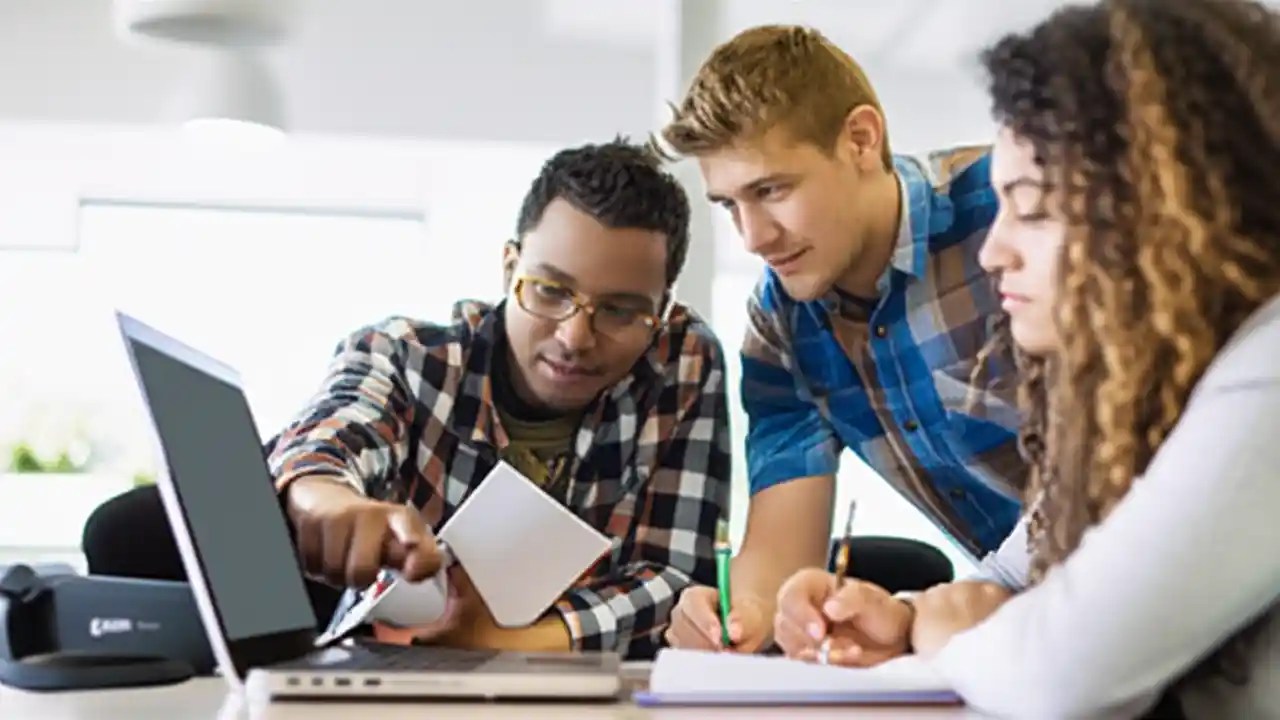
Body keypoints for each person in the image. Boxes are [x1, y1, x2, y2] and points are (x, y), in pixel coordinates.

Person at [774, 0, 1280, 716]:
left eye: (1034, 208)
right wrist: (911, 619)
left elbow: (1058, 675)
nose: (992, 251)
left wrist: (955, 635)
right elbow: (1006, 584)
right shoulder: (1145, 396)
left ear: (1166, 211)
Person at [84, 138, 732, 660]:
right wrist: (323, 500)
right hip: (371, 645)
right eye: (549, 291)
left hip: (529, 669)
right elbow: (337, 429)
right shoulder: (409, 354)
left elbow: (672, 574)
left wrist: (513, 639)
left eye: (621, 310)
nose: (575, 336)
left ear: (662, 311)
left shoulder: (680, 359)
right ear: (510, 270)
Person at [658, 24, 1026, 653]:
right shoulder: (782, 330)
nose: (754, 237)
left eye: (771, 190)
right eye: (729, 205)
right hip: (1028, 620)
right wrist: (737, 617)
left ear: (860, 139)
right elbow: (777, 557)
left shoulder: (1011, 211)